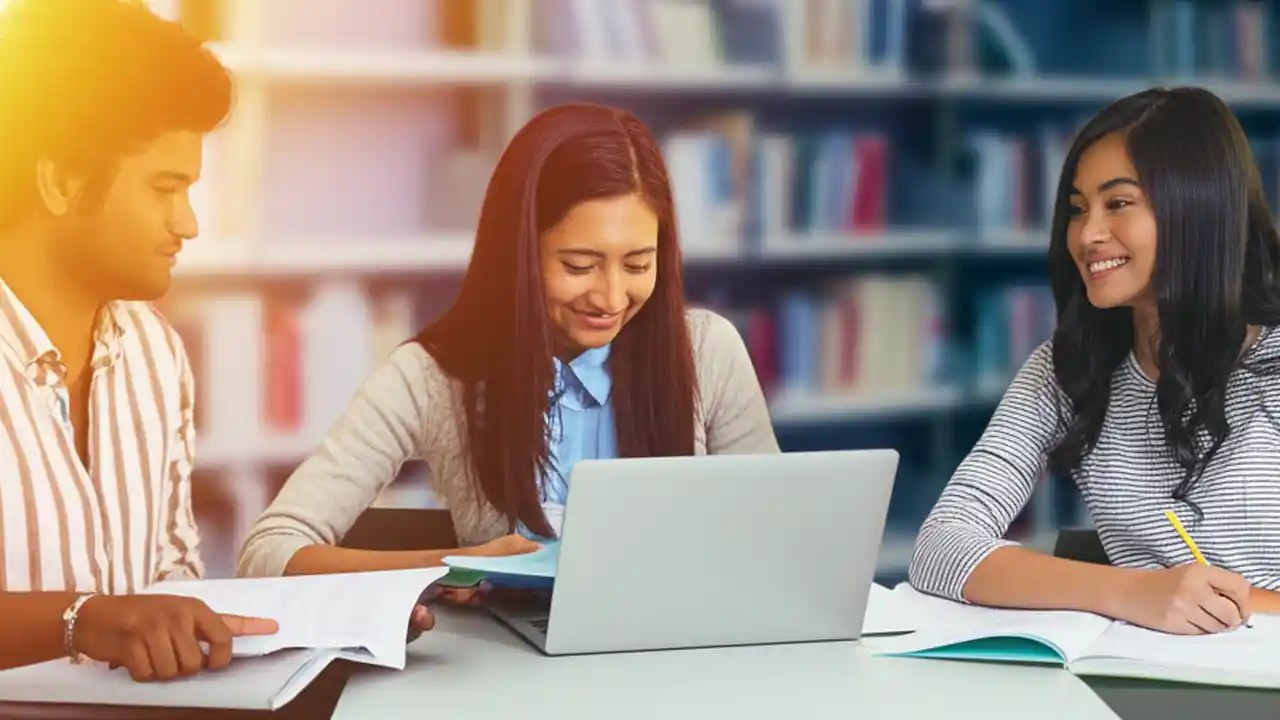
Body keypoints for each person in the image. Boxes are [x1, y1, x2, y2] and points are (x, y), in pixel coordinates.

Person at [237, 103, 780, 631]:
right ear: (518, 253)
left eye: (638, 264)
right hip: (503, 665)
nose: (612, 297)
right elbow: (269, 552)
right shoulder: (431, 377)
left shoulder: (707, 351)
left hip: (681, 650)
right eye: (579, 266)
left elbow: (777, 538)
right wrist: (452, 564)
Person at [909, 86, 1280, 635]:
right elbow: (941, 547)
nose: (1088, 235)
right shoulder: (1067, 369)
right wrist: (1130, 591)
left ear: (1199, 208)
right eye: (1078, 209)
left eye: (1119, 203)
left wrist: (1221, 602)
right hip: (1141, 667)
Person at [0, 0, 276, 678]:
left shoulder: (156, 355)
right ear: (61, 181)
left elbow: (170, 574)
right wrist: (82, 621)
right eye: (165, 188)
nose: (188, 223)